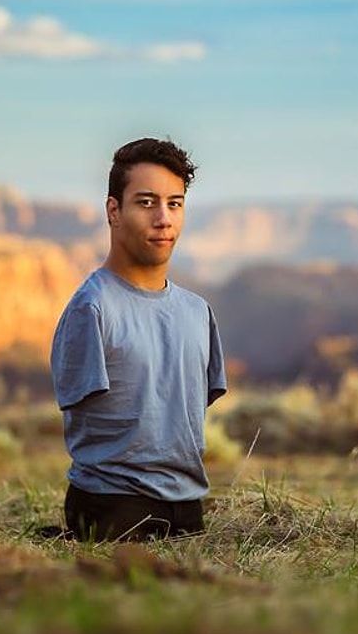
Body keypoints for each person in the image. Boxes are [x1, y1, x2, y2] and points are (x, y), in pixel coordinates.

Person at [48, 137, 226, 542]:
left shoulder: (198, 312)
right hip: (113, 505)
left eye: (174, 203)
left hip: (189, 507)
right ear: (114, 210)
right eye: (146, 202)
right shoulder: (90, 309)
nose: (164, 218)